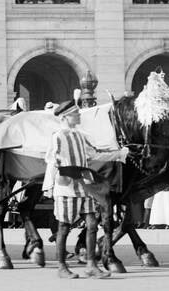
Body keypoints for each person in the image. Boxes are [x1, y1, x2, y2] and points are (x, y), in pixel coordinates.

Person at [43, 100, 128, 279]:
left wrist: (119, 154)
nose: (79, 115)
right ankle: (61, 267)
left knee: (91, 224)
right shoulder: (57, 136)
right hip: (66, 187)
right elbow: (51, 161)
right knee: (64, 227)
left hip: (84, 185)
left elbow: (95, 153)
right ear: (66, 117)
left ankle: (91, 265)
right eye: (76, 113)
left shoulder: (80, 136)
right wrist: (48, 185)